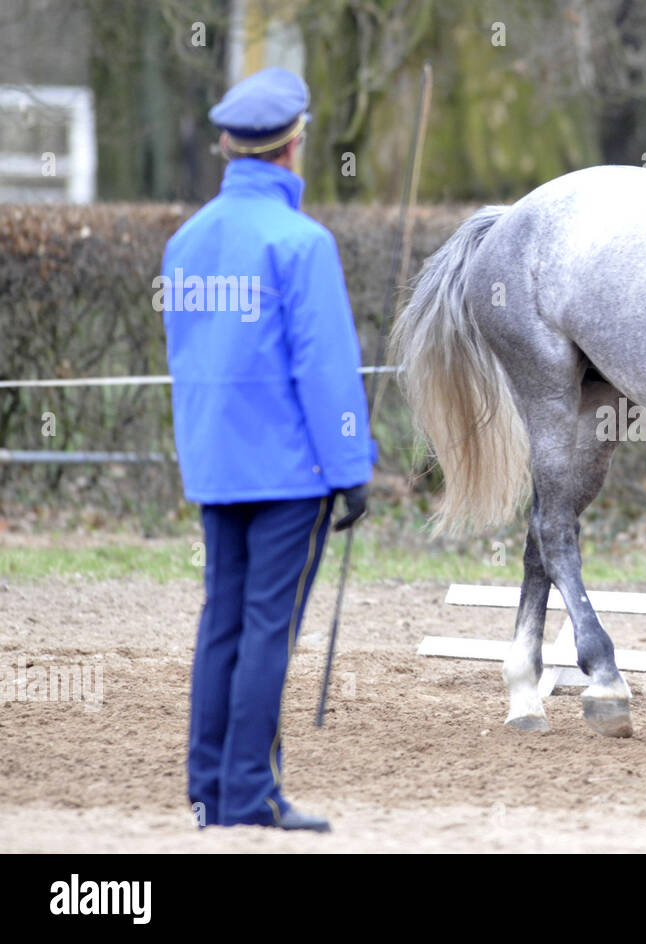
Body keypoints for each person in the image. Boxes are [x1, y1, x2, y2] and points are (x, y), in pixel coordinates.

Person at [162, 67, 375, 831]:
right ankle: (251, 792)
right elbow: (323, 370)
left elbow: (192, 363)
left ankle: (207, 789)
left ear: (230, 148)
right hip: (291, 473)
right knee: (267, 631)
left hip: (218, 468)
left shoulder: (185, 243)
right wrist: (351, 467)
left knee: (222, 622)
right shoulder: (303, 243)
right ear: (292, 147)